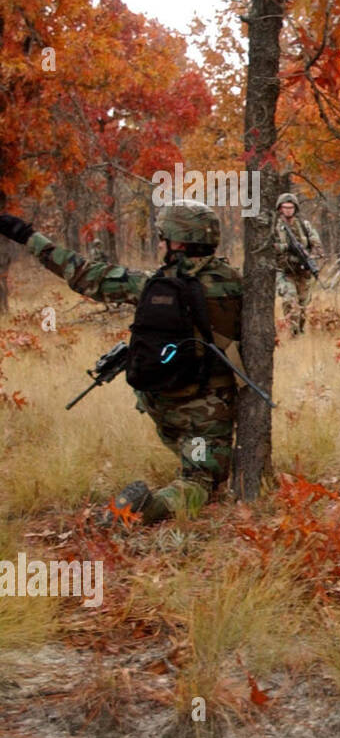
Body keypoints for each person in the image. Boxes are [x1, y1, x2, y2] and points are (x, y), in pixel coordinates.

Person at [0, 201, 244, 525]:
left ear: (179, 242)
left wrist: (27, 235)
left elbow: (83, 274)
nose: (159, 244)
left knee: (190, 451)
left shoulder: (146, 283)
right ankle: (142, 510)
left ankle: (186, 457)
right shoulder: (238, 284)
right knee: (202, 482)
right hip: (206, 409)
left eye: (162, 237)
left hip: (160, 401)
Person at [273, 191, 322, 336]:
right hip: (285, 271)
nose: (288, 210)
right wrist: (285, 248)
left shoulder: (304, 226)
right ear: (280, 208)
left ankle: (299, 332)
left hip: (303, 272)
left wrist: (309, 257)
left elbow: (317, 246)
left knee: (303, 306)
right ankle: (292, 333)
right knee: (290, 301)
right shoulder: (275, 227)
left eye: (291, 207)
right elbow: (270, 247)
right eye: (285, 207)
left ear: (295, 208)